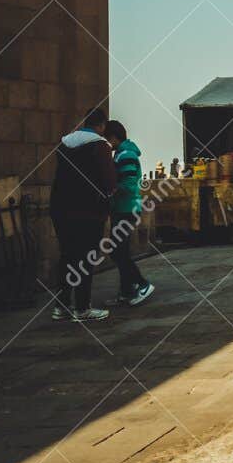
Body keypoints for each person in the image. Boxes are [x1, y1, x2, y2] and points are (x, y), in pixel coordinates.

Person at [48, 108, 116, 322]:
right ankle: (82, 308)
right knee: (86, 258)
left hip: (61, 208)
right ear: (102, 125)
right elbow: (109, 181)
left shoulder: (64, 144)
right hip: (88, 211)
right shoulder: (100, 146)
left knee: (67, 256)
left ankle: (61, 306)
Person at [104, 120, 154, 306]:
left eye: (106, 139)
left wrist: (110, 191)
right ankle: (127, 291)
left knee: (118, 252)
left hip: (126, 208)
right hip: (124, 208)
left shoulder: (125, 154)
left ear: (114, 137)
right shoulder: (122, 153)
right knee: (120, 251)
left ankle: (142, 284)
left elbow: (128, 183)